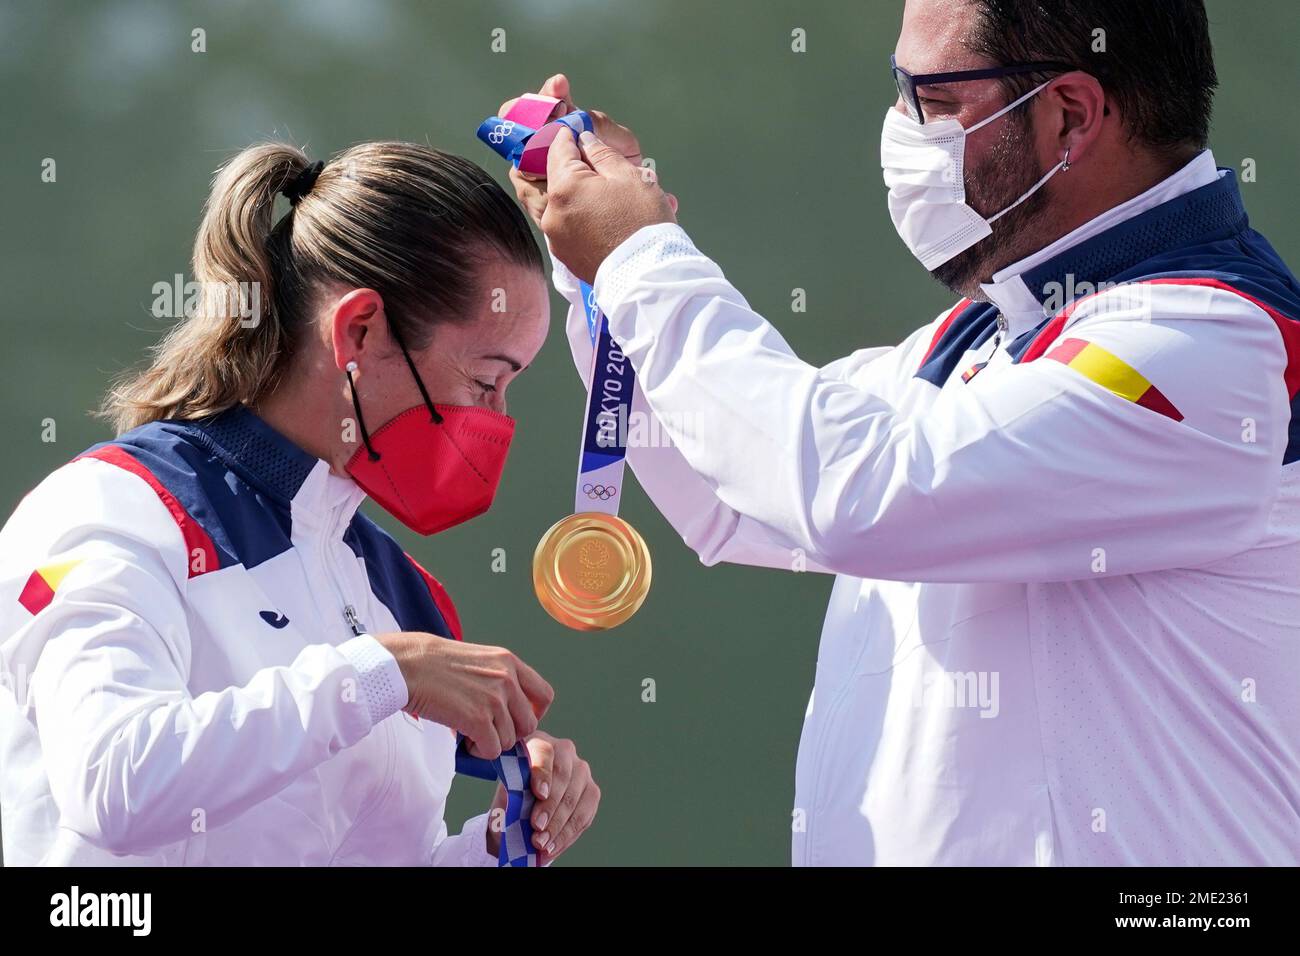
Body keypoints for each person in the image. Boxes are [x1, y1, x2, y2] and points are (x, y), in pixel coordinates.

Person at [505, 0, 1300, 866]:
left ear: (1071, 115)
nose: (900, 129)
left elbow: (856, 492)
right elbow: (737, 491)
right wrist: (596, 256)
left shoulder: (1210, 340)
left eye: (932, 98)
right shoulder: (992, 332)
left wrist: (642, 258)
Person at [0, 141, 600, 866]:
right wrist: (383, 672)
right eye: (484, 380)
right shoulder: (111, 509)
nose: (497, 419)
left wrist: (501, 844)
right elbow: (114, 787)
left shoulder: (393, 585)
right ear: (359, 331)